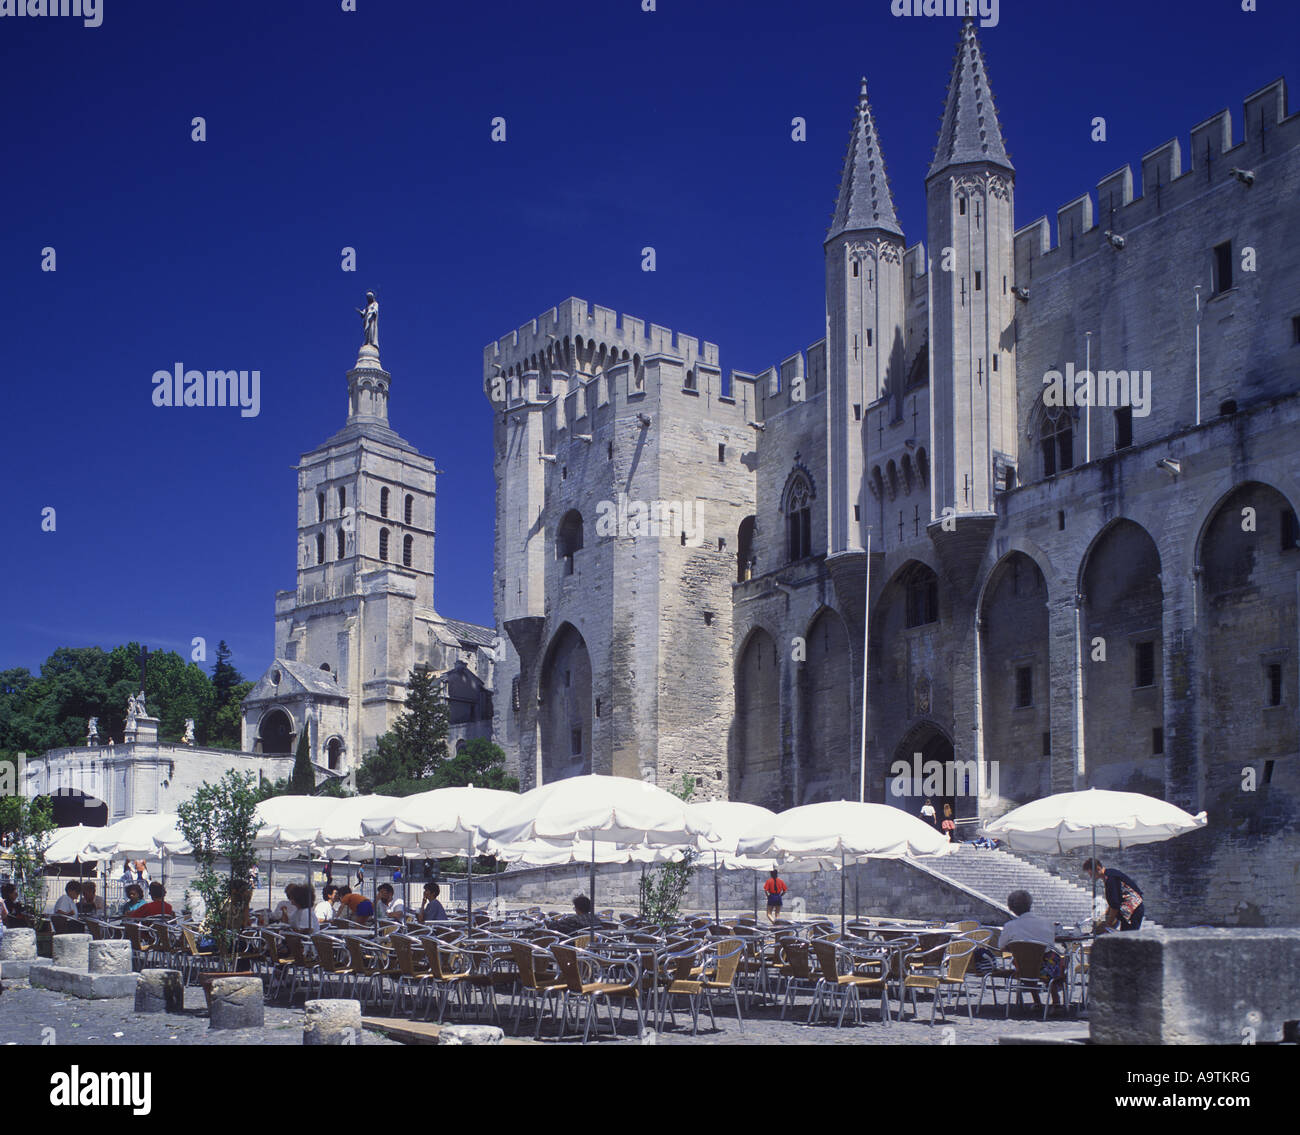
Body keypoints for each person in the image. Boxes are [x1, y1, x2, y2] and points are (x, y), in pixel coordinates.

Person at [998, 890, 1067, 1006]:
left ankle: (1037, 1001)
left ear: (1011, 908)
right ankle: (1056, 1000)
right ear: (1030, 904)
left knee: (1025, 961)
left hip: (1023, 968)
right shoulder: (1047, 923)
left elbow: (1001, 946)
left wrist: (1016, 947)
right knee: (1053, 958)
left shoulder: (1010, 926)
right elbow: (1050, 943)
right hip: (1047, 968)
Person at [1082, 858, 1145, 931]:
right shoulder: (1110, 874)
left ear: (1098, 868)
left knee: (1128, 936)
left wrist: (1107, 925)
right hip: (1132, 910)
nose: (1090, 877)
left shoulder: (1111, 879)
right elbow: (1113, 902)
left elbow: (1115, 905)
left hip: (1133, 911)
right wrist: (1104, 917)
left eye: (1091, 874)